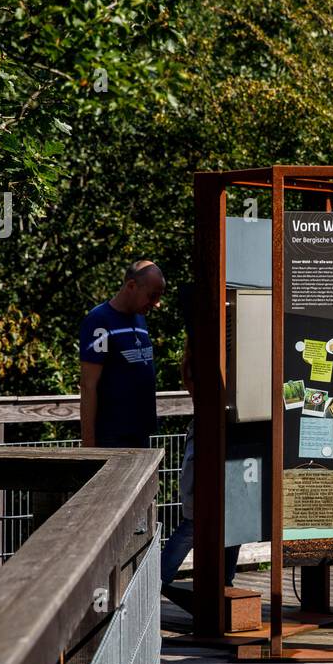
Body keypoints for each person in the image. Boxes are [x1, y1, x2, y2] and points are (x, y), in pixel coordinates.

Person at [158, 281, 239, 614]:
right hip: (209, 439)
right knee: (198, 520)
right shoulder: (201, 358)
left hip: (216, 437)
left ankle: (224, 584)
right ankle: (157, 581)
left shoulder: (199, 356)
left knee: (230, 518)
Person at [79, 260, 164, 449]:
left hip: (141, 434)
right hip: (113, 438)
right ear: (131, 286)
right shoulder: (99, 321)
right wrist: (89, 446)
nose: (157, 304)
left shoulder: (140, 318)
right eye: (152, 296)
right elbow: (88, 385)